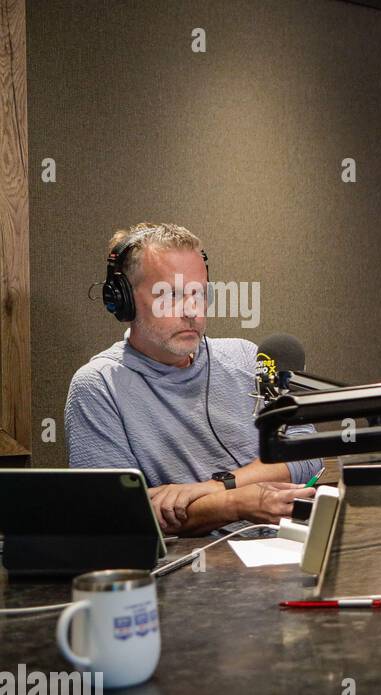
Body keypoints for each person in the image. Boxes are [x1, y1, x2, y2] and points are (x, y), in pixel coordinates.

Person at [65, 222, 321, 535]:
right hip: (186, 573)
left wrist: (216, 488)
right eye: (170, 295)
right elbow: (114, 514)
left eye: (199, 294)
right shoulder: (98, 386)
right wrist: (235, 503)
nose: (192, 311)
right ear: (123, 301)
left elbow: (306, 453)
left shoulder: (244, 356)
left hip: (284, 554)